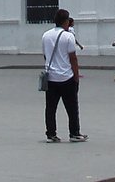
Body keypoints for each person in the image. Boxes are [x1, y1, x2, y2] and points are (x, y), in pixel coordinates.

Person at [41, 8, 84, 142]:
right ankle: (74, 133)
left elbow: (45, 56)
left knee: (50, 107)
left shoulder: (46, 35)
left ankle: (51, 134)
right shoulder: (68, 36)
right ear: (66, 21)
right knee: (72, 107)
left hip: (51, 77)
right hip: (66, 77)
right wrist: (76, 76)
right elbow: (73, 58)